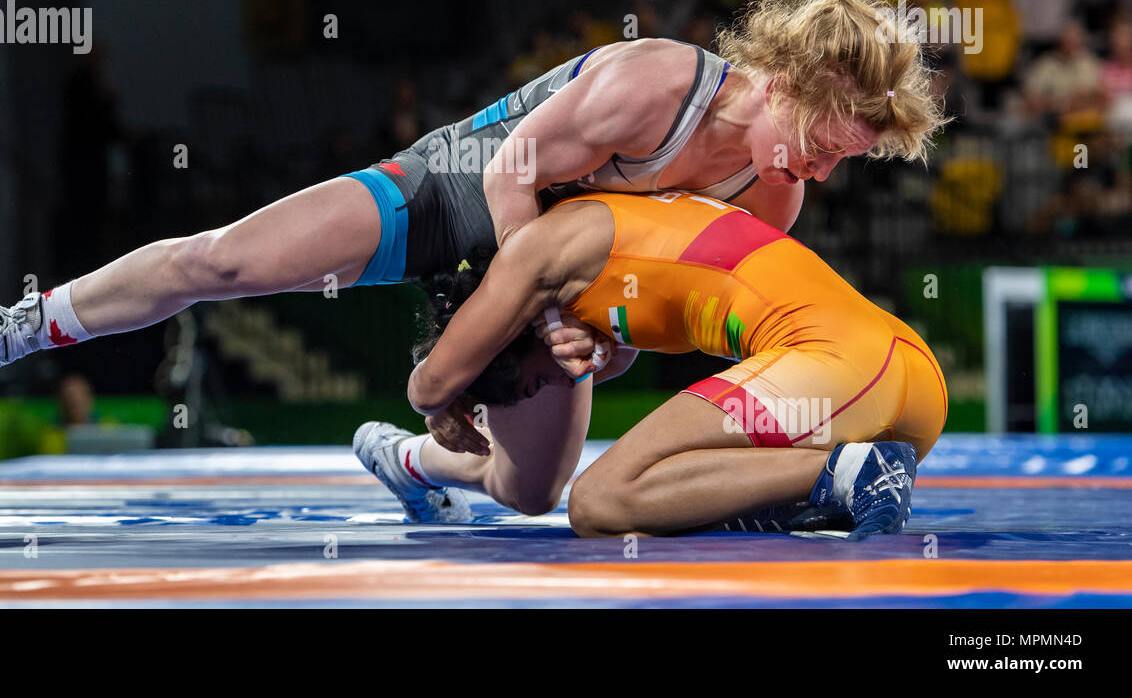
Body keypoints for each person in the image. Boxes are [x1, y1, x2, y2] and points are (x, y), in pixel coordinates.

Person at [0, 0, 944, 450]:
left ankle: (411, 459)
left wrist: (596, 336)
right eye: (826, 140)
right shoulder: (654, 84)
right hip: (457, 188)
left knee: (538, 495)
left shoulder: (775, 195)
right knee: (220, 259)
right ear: (792, 81)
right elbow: (510, 172)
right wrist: (529, 309)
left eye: (845, 162)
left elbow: (659, 317)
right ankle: (14, 329)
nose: (821, 168)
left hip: (547, 274)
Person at [357, 189, 946, 539]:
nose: (552, 386)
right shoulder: (612, 245)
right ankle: (827, 484)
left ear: (508, 330)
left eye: (533, 382)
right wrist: (603, 351)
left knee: (598, 501)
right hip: (901, 381)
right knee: (680, 490)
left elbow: (431, 380)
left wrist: (439, 406)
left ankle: (852, 473)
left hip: (840, 367)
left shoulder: (534, 255)